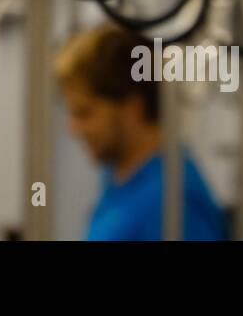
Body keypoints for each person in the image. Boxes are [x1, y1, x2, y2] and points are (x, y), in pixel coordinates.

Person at [54, 23, 228, 240]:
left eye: (85, 113)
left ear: (132, 108)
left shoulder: (173, 201)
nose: (73, 128)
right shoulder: (121, 178)